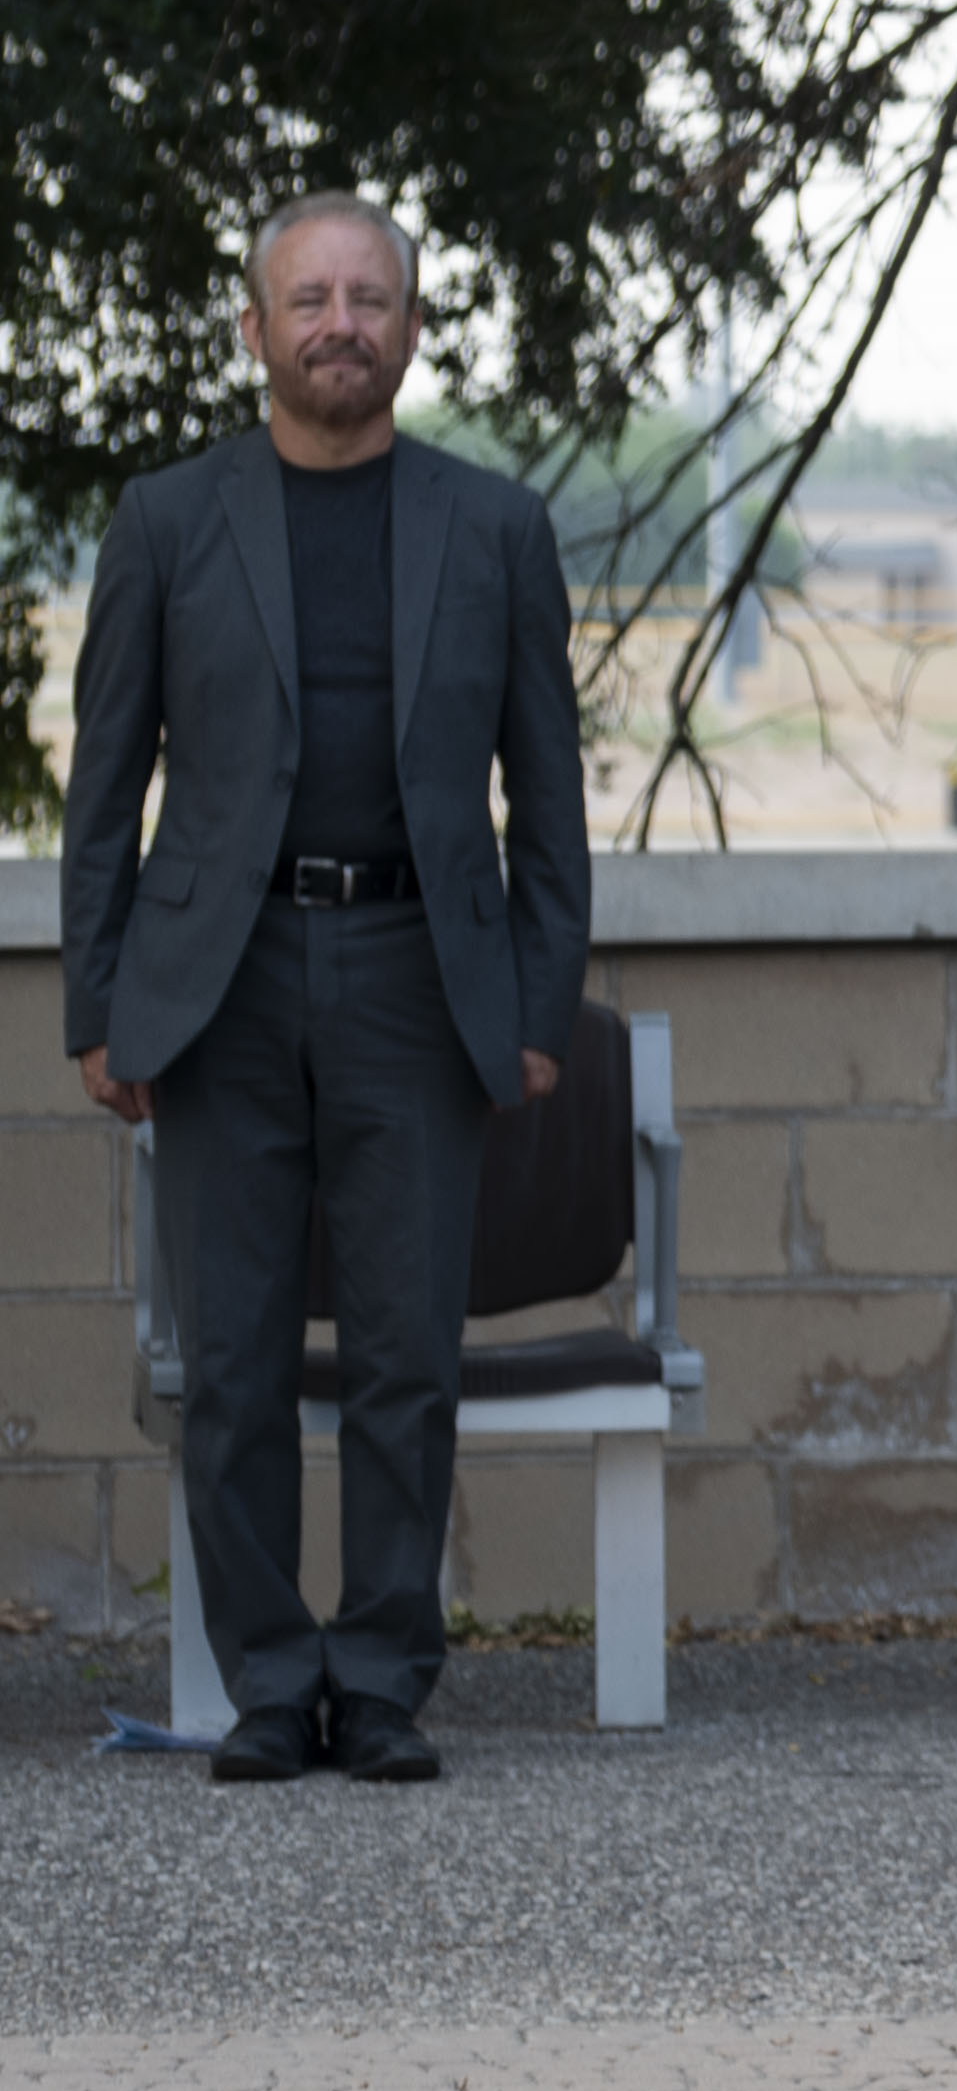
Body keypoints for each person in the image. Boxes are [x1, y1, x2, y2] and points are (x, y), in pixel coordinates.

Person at [61, 195, 593, 1788]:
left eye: (370, 298)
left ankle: (380, 1680)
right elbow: (105, 786)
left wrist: (537, 1003)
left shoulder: (494, 530)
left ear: (413, 329)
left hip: (420, 980)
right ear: (257, 328)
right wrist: (97, 1004)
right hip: (217, 986)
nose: (340, 323)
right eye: (310, 298)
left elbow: (547, 799)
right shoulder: (165, 521)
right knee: (228, 1366)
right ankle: (268, 1684)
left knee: (402, 1355)